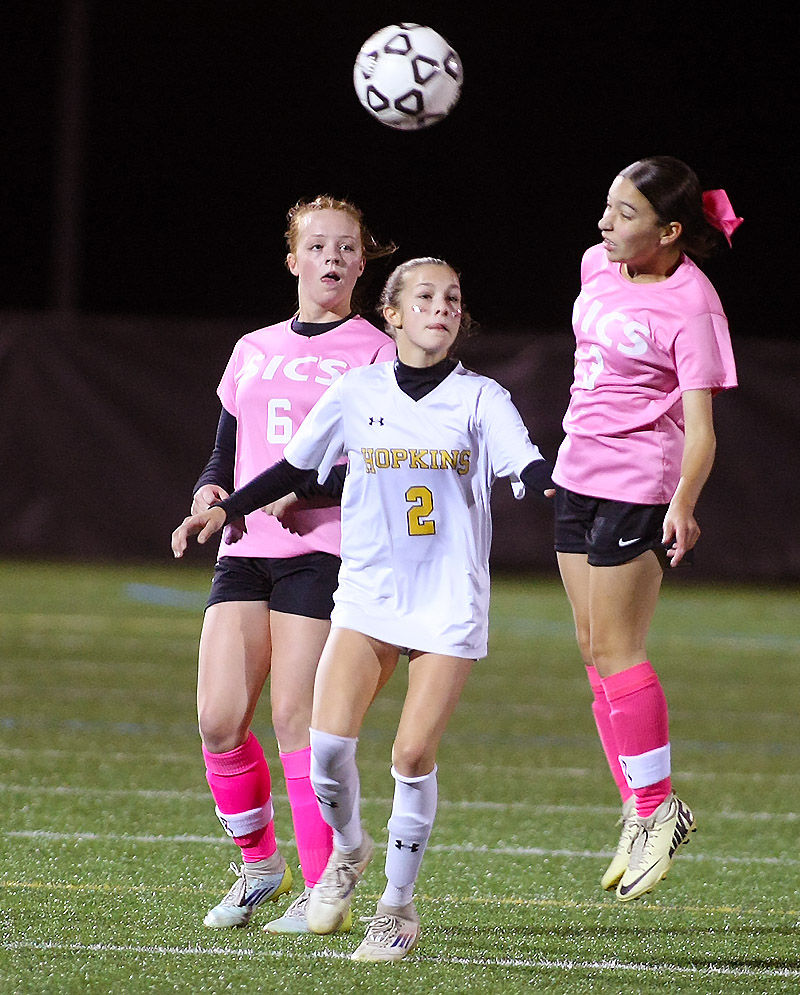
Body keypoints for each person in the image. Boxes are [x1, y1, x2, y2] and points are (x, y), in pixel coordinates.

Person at [173, 257, 553, 961]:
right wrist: (226, 505)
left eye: (453, 299)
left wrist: (544, 482)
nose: (441, 307)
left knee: (411, 751)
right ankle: (348, 852)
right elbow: (294, 467)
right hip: (369, 597)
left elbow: (521, 460)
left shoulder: (481, 397)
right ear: (393, 314)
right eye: (426, 297)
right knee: (326, 751)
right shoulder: (357, 391)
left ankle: (397, 909)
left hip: (445, 603)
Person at [185, 195, 396, 933]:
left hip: (324, 548)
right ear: (293, 259)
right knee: (217, 720)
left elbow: (388, 461)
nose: (332, 258)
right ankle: (259, 865)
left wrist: (313, 490)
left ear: (362, 264)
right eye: (318, 246)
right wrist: (212, 489)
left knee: (294, 719)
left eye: (346, 248)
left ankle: (320, 884)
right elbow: (226, 445)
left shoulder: (375, 350)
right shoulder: (253, 346)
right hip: (246, 550)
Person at [551, 155, 742, 902]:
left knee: (622, 646)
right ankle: (637, 805)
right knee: (592, 647)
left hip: (638, 484)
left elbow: (701, 429)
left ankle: (662, 807)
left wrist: (684, 501)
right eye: (607, 207)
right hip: (577, 473)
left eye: (625, 213)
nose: (606, 222)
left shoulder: (693, 304)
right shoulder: (597, 265)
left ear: (669, 230)